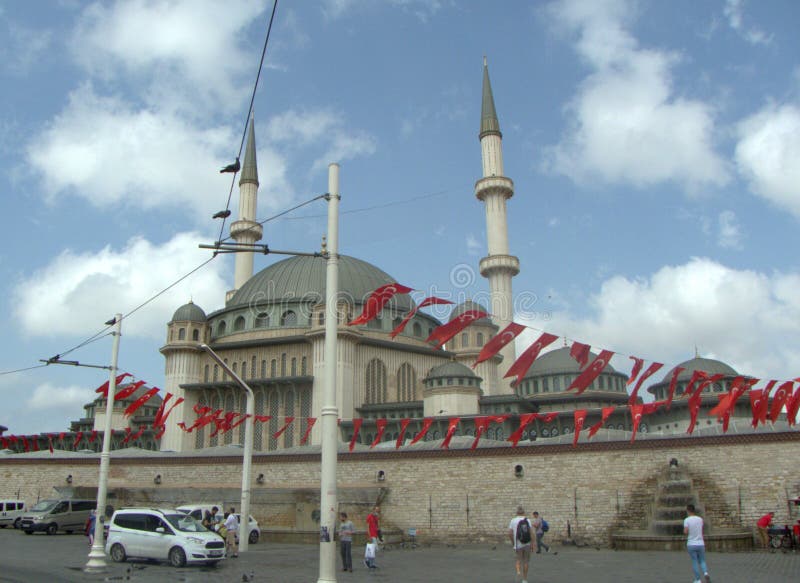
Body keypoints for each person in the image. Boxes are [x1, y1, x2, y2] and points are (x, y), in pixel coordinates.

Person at [683, 504, 711, 583]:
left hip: (691, 543)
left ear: (688, 511)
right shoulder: (700, 519)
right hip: (700, 543)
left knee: (694, 561)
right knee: (702, 560)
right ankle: (706, 573)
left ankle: (698, 580)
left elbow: (685, 531)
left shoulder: (687, 520)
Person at [508, 505, 532, 583]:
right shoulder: (528, 520)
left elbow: (510, 533)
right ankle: (524, 579)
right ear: (524, 512)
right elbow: (531, 533)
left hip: (518, 544)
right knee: (526, 561)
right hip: (527, 543)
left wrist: (513, 542)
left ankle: (518, 572)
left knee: (518, 560)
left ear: (516, 513)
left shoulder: (513, 520)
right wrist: (533, 543)